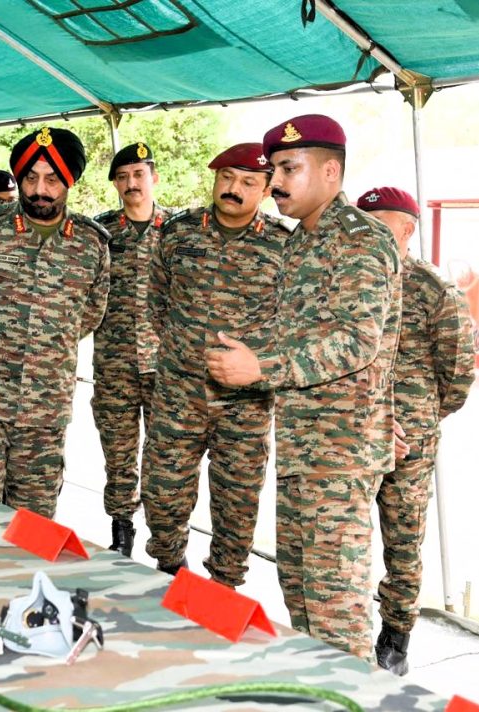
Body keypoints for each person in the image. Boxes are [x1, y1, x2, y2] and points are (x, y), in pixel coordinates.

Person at [206, 114, 401, 659]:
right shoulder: (299, 244)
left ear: (331, 172)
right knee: (302, 598)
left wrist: (261, 368)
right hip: (299, 447)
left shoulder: (361, 241)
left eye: (289, 168)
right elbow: (290, 333)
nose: (275, 183)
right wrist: (240, 356)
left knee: (336, 609)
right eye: (274, 170)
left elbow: (356, 343)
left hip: (340, 456)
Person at [0, 127, 109, 519]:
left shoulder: (91, 242)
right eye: (31, 178)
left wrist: (46, 343)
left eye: (52, 180)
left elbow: (90, 314)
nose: (39, 190)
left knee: (34, 518)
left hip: (45, 407)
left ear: (69, 182)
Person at [141, 143, 288, 586]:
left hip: (245, 404)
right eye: (226, 177)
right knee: (163, 493)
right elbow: (157, 301)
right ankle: (169, 568)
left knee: (237, 502)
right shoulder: (178, 232)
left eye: (247, 182)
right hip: (178, 393)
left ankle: (224, 586)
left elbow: (291, 320)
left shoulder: (283, 246)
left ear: (265, 189)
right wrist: (184, 352)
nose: (233, 189)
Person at [357, 186, 476, 675]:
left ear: (406, 229)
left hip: (410, 440)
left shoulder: (432, 289)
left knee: (403, 538)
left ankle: (396, 634)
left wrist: (420, 420)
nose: (364, 233)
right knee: (340, 532)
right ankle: (342, 626)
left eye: (377, 223)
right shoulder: (351, 282)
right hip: (351, 429)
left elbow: (458, 371)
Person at [91, 142, 173, 557]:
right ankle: (121, 535)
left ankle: (168, 546)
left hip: (166, 369)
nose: (131, 184)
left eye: (139, 174)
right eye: (122, 177)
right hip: (115, 367)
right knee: (119, 458)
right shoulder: (100, 232)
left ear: (154, 178)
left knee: (166, 461)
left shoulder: (178, 231)